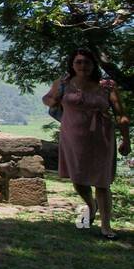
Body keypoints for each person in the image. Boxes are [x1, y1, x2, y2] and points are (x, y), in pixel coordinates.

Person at [44, 49, 131, 239]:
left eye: (87, 62)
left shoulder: (107, 86)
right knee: (77, 178)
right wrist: (54, 98)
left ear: (94, 65)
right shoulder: (63, 83)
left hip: (101, 137)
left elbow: (121, 115)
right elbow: (48, 99)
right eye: (79, 62)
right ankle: (91, 206)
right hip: (73, 137)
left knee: (102, 182)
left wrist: (126, 140)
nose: (83, 66)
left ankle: (106, 226)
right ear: (72, 65)